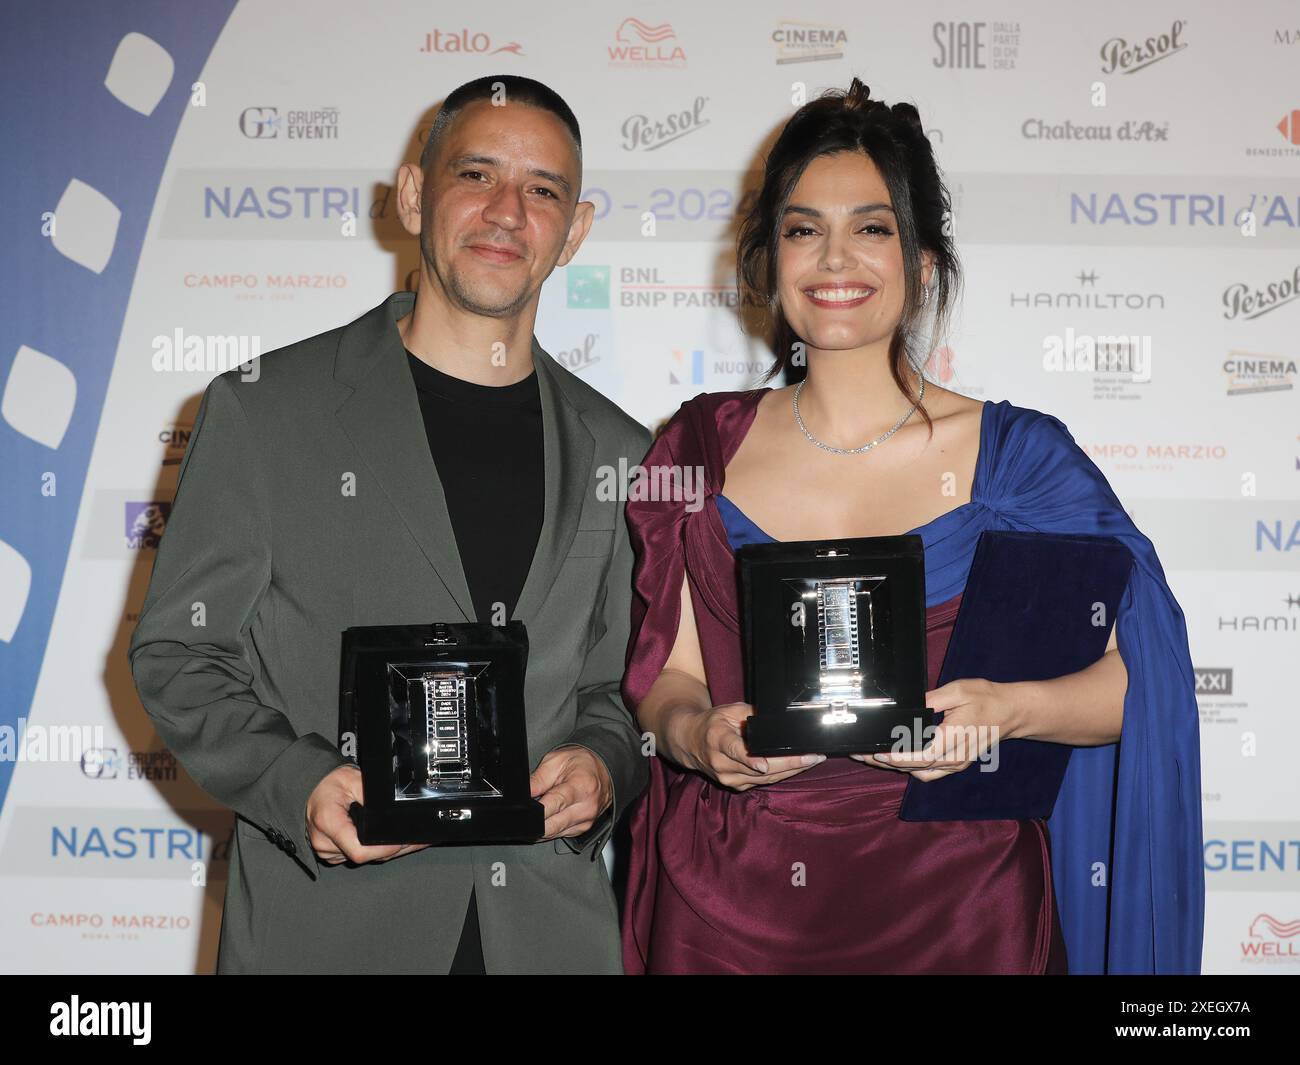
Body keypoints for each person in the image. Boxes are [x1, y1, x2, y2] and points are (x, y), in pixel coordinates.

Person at [619, 78, 1204, 974]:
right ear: (769, 259)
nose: (834, 257)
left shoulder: (1017, 461)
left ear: (923, 263)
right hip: (728, 915)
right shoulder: (697, 447)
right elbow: (672, 678)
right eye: (803, 227)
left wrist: (1010, 708)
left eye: (873, 227)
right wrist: (699, 735)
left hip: (964, 916)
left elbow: (1143, 682)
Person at [128, 74, 650, 974]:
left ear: (576, 230)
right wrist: (299, 784)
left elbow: (623, 688)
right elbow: (178, 652)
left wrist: (605, 763)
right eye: (475, 174)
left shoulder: (624, 448)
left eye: (542, 190)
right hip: (331, 933)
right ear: (414, 195)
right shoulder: (266, 412)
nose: (506, 212)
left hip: (547, 935)